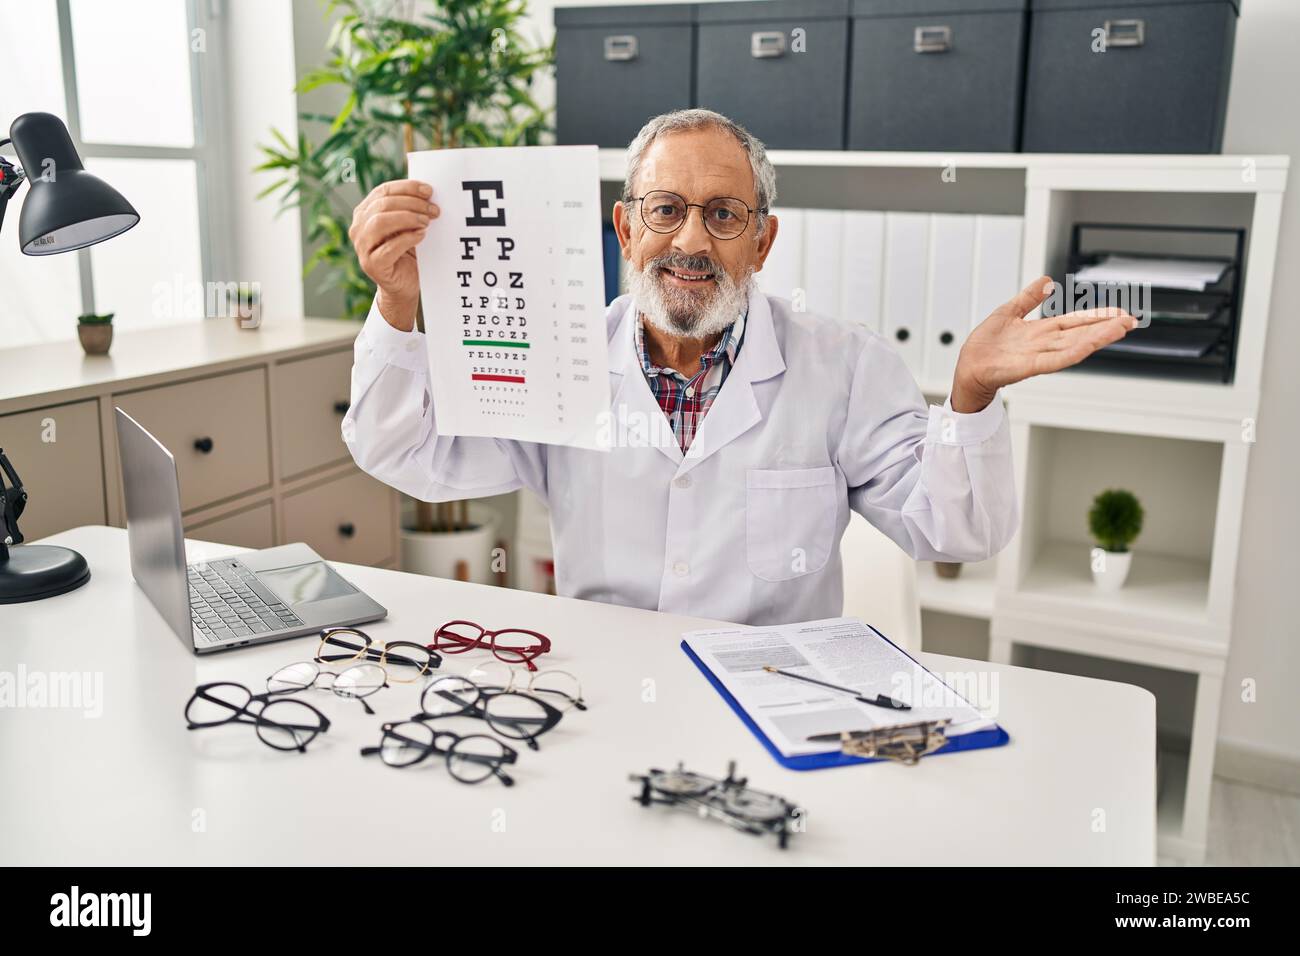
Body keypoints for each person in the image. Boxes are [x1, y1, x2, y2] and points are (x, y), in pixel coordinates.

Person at [341, 109, 1134, 625]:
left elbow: (959, 531)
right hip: (608, 698)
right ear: (625, 228)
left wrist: (970, 397)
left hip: (778, 699)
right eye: (665, 209)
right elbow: (406, 453)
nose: (690, 241)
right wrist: (398, 304)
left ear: (762, 241)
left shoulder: (844, 366)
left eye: (723, 214)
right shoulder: (565, 353)